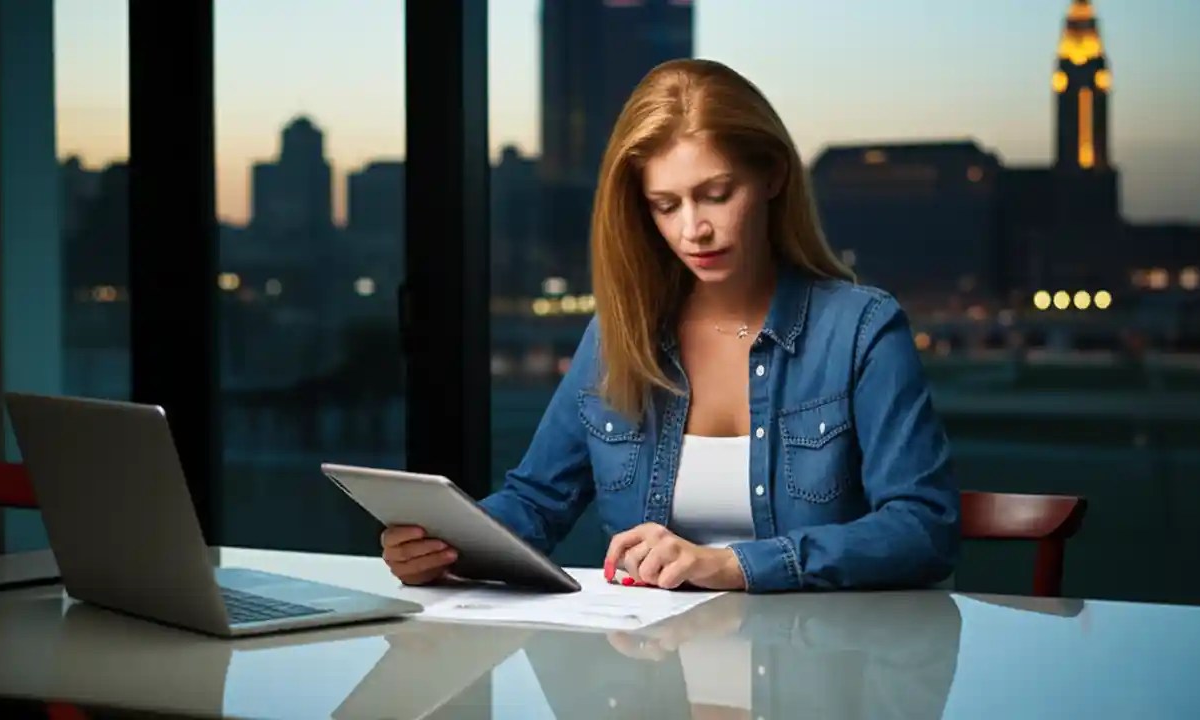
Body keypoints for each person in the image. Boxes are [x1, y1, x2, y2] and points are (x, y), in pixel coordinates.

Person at [381, 58, 959, 593]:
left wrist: (734, 564)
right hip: (650, 669)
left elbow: (923, 528)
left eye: (716, 194)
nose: (693, 230)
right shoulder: (617, 338)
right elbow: (535, 503)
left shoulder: (861, 329)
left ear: (773, 176)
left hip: (816, 671)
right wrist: (445, 545)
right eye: (665, 204)